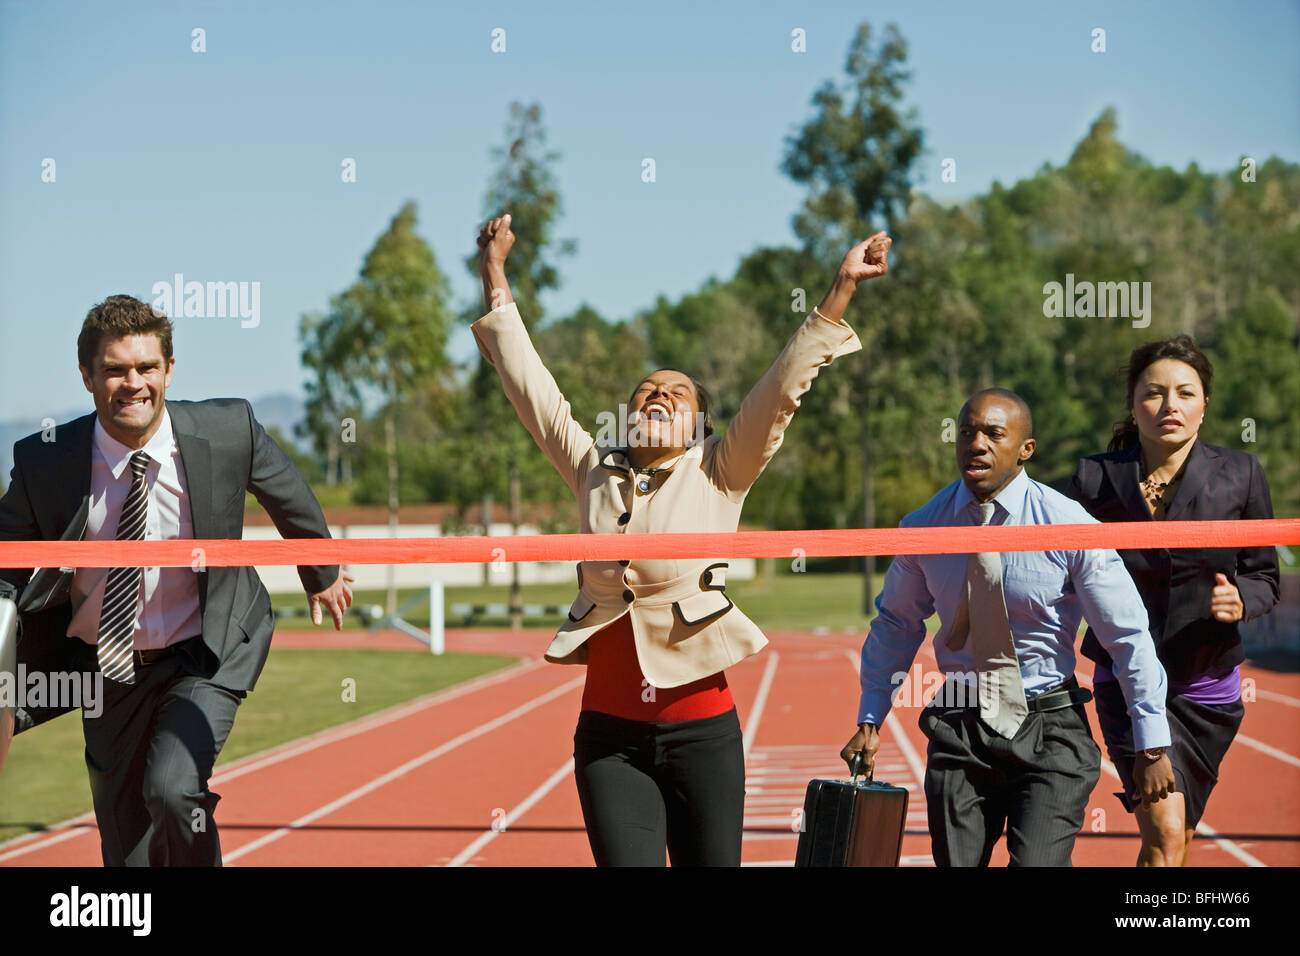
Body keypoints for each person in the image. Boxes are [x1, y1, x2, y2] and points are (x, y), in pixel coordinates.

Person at [472, 212, 889, 866]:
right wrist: (494, 275)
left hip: (703, 736)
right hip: (609, 741)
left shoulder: (721, 469)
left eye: (676, 393)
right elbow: (532, 390)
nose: (657, 397)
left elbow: (781, 390)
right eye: (646, 392)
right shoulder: (592, 469)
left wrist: (840, 288)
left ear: (700, 422)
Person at [0, 294, 353, 866]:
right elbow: (6, 556)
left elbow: (288, 495)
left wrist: (322, 573)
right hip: (106, 669)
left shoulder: (227, 427)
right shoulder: (47, 460)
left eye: (146, 367)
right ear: (87, 376)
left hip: (206, 651)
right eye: (114, 369)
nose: (132, 383)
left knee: (172, 787)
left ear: (169, 370)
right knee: (127, 854)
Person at [841, 388, 1174, 867]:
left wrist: (1151, 741)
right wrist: (870, 717)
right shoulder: (923, 527)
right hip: (961, 724)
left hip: (1049, 726)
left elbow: (1127, 635)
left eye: (994, 434)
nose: (976, 444)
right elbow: (897, 622)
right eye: (966, 433)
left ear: (1025, 449)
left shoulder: (1070, 526)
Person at [1065, 335, 1279, 866]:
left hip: (1206, 685)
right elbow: (1051, 566)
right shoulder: (1093, 479)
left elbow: (1265, 577)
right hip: (1129, 681)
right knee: (1164, 831)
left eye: (1185, 393)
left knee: (1174, 838)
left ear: (1204, 405)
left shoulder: (1242, 474)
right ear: (1133, 405)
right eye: (1154, 393)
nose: (1170, 406)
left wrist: (1242, 600)